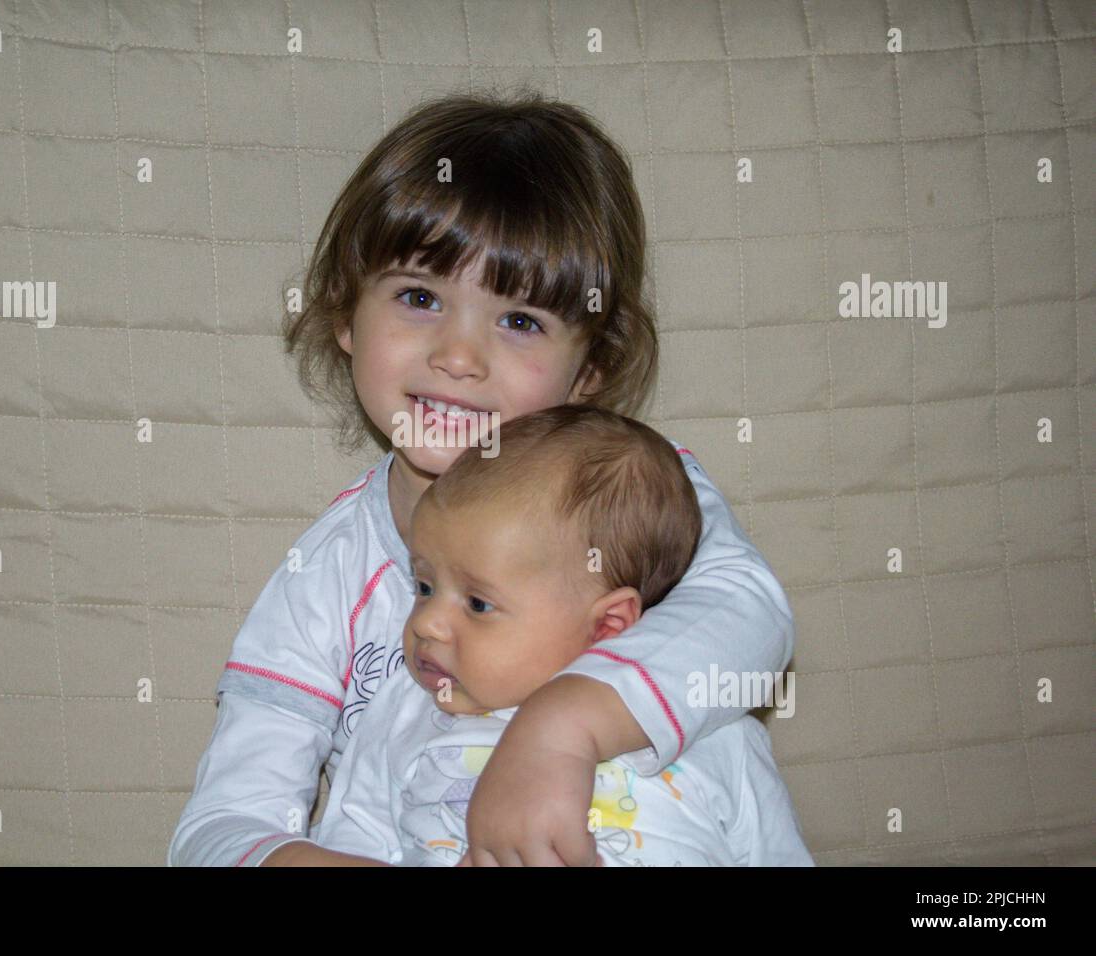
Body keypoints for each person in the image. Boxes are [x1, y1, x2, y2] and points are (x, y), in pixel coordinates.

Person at [168, 88, 795, 867]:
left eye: (521, 320)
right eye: (419, 297)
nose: (459, 357)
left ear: (592, 366)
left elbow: (748, 621)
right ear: (344, 314)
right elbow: (221, 826)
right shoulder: (326, 576)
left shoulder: (638, 492)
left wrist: (562, 728)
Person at [313, 406, 813, 866]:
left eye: (478, 603)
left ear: (607, 627)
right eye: (423, 586)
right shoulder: (405, 711)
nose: (426, 623)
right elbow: (355, 839)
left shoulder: (703, 721)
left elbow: (774, 852)